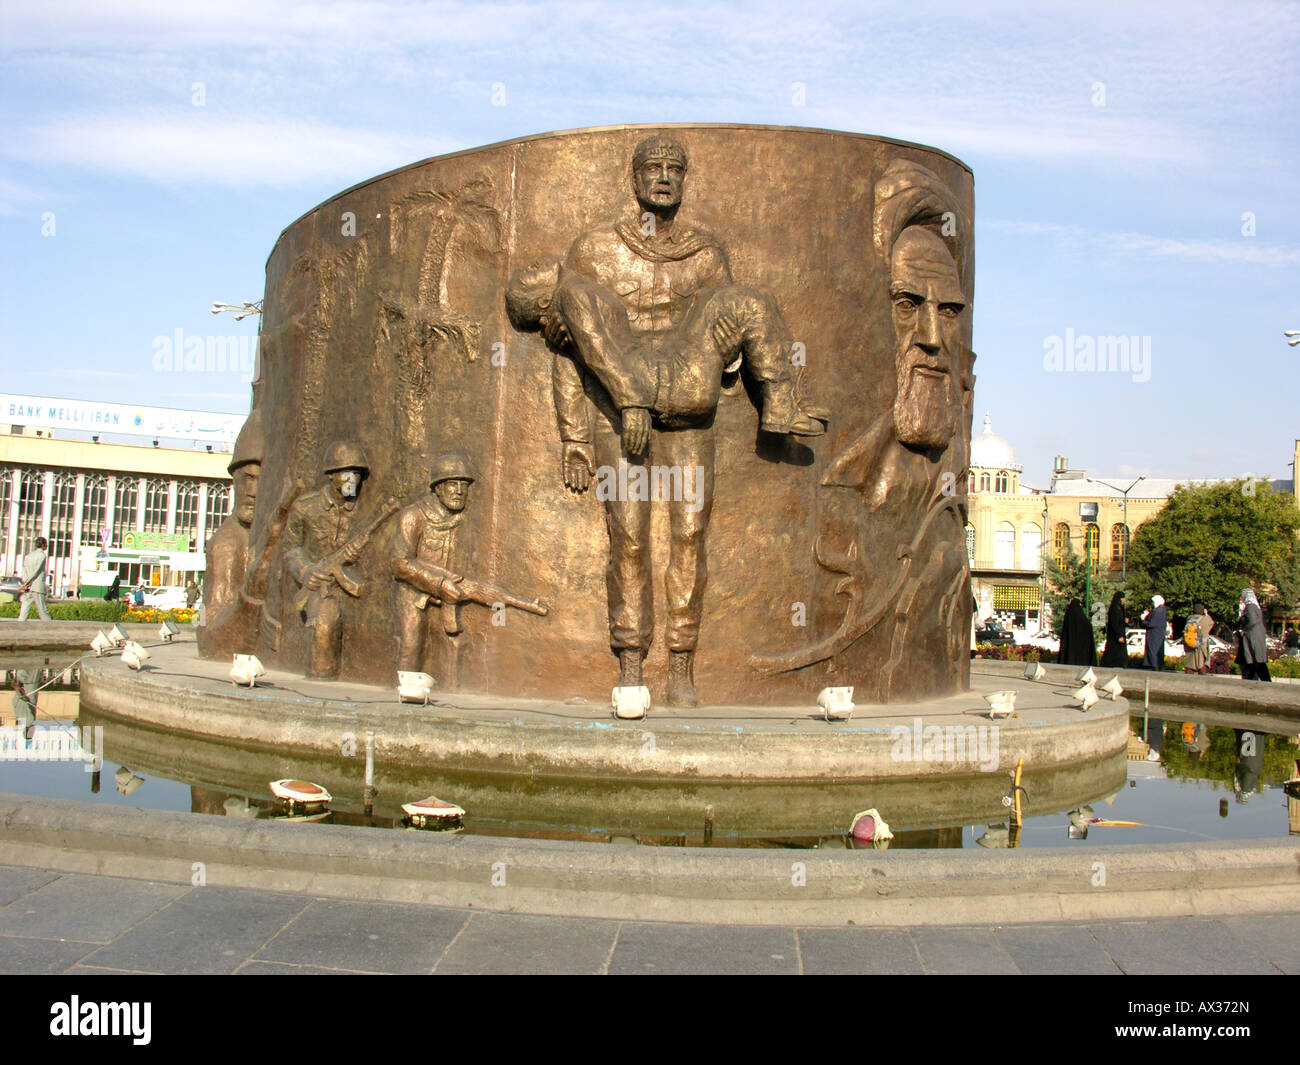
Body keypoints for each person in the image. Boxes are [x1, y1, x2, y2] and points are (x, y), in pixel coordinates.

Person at [507, 134, 827, 706]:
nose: (662, 177)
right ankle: (631, 665)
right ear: (633, 180)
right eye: (651, 168)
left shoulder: (706, 255)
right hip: (615, 410)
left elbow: (731, 330)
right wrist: (573, 438)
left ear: (684, 179)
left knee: (690, 536)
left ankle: (681, 668)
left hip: (687, 412)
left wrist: (743, 369)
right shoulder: (594, 251)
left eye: (673, 169)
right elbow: (572, 351)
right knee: (627, 538)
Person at [284, 441, 372, 680]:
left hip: (353, 581)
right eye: (346, 473)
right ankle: (319, 683)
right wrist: (306, 572)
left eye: (357, 474)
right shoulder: (305, 507)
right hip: (321, 584)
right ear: (331, 475)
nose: (352, 479)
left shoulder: (364, 510)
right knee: (324, 624)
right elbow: (291, 549)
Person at [1235, 587, 1271, 681]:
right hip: (1253, 637)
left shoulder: (1250, 607)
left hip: (1252, 638)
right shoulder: (1254, 607)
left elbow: (1252, 620)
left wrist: (1244, 630)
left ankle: (1264, 682)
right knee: (1253, 662)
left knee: (1256, 661)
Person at [16, 537, 51, 621]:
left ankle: (20, 623)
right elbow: (36, 571)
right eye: (46, 544)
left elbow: (24, 569)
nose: (47, 546)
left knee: (25, 607)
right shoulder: (42, 555)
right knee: (42, 609)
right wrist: (27, 583)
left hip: (29, 586)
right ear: (42, 545)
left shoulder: (29, 555)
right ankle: (49, 626)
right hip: (36, 586)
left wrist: (25, 582)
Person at [1058, 597, 1097, 667]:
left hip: (1070, 651)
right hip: (1083, 656)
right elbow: (1088, 628)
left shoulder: (1069, 615)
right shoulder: (1082, 617)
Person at [1183, 602, 1213, 675]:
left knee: (1189, 665)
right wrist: (1206, 614)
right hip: (1200, 646)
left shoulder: (1189, 618)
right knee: (1201, 665)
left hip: (1189, 645)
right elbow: (1211, 623)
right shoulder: (1205, 619)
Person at [1100, 590, 1128, 667]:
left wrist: (1124, 620)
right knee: (1112, 650)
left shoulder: (1120, 608)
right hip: (1114, 635)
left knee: (1119, 650)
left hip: (1119, 634)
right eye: (1123, 599)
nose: (1124, 600)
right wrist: (1119, 635)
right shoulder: (1114, 609)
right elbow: (1114, 623)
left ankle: (1120, 663)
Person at [1140, 594, 1167, 670]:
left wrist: (1144, 619)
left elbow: (1152, 623)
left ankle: (1154, 665)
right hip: (1156, 635)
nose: (1152, 604)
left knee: (1153, 651)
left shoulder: (1158, 611)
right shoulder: (1160, 610)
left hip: (1154, 636)